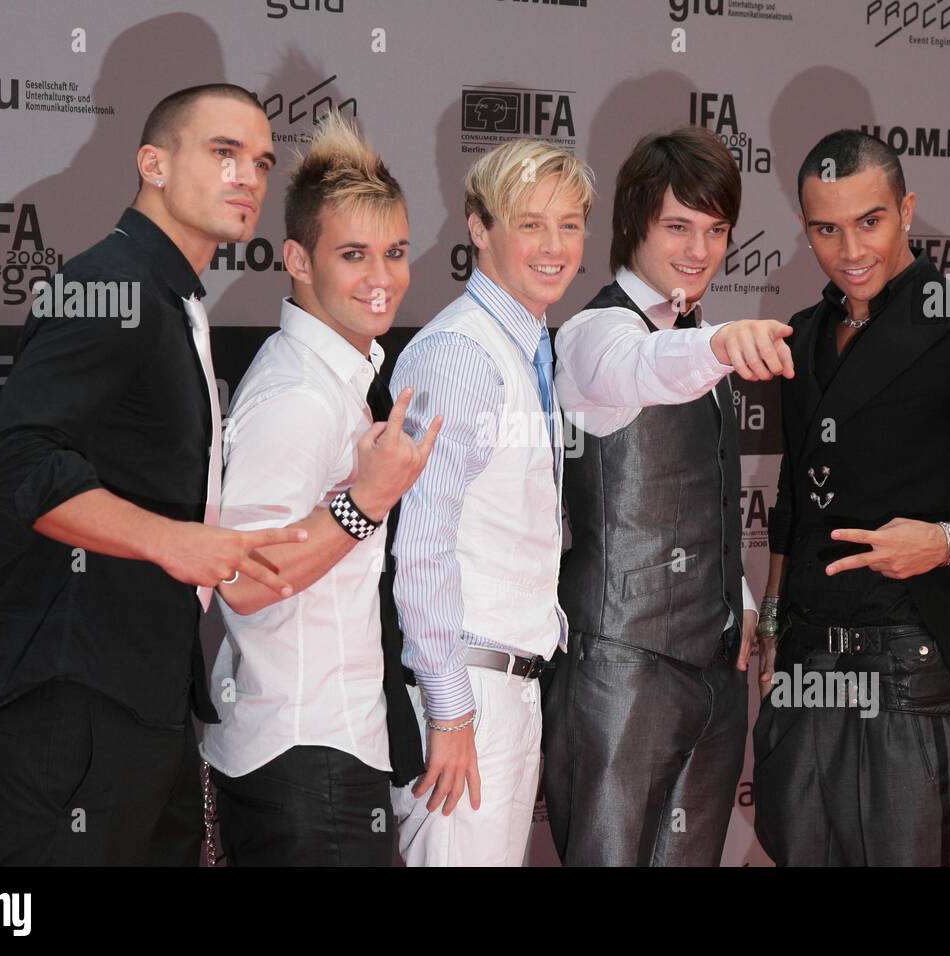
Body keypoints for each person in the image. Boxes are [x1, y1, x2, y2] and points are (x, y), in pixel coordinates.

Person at [0, 84, 307, 866]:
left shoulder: (167, 295)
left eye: (262, 162)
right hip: (79, 700)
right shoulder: (113, 285)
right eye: (223, 152)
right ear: (153, 164)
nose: (248, 176)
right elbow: (16, 459)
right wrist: (174, 541)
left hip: (142, 694)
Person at [752, 129, 950, 866]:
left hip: (905, 667)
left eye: (870, 221)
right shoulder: (802, 336)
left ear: (906, 210)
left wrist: (946, 542)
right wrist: (771, 621)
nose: (850, 250)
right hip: (804, 665)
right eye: (826, 229)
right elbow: (795, 499)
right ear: (805, 227)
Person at [545, 126, 794, 866]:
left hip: (714, 671)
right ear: (635, 225)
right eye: (678, 226)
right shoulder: (594, 334)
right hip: (620, 671)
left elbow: (702, 489)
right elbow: (643, 365)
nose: (700, 250)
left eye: (716, 230)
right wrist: (718, 346)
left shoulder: (699, 336)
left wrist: (736, 599)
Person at [200, 113, 439, 866]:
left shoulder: (337, 377)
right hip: (305, 757)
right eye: (354, 254)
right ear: (299, 260)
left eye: (395, 252)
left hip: (320, 747)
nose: (383, 278)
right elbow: (241, 578)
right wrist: (366, 502)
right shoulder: (298, 394)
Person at [388, 138, 595, 866]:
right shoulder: (462, 354)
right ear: (479, 227)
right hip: (465, 690)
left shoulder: (528, 348)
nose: (554, 246)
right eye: (531, 224)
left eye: (570, 225)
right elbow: (421, 543)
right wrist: (450, 711)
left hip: (508, 686)